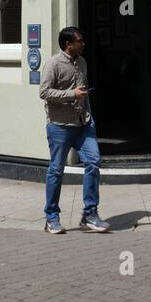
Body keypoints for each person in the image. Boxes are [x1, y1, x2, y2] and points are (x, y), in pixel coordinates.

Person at [39, 27, 110, 235]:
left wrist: (88, 114)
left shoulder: (82, 62)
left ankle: (89, 215)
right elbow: (44, 92)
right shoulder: (53, 63)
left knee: (93, 161)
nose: (83, 44)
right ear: (68, 44)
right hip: (59, 126)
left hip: (83, 124)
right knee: (56, 170)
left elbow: (83, 91)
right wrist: (72, 94)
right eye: (79, 41)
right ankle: (51, 218)